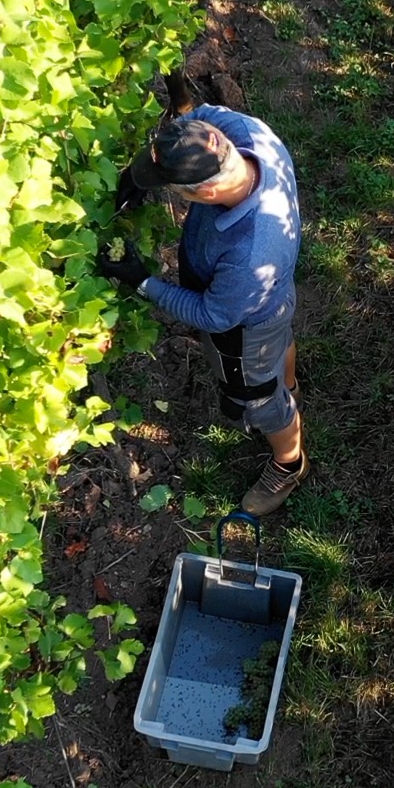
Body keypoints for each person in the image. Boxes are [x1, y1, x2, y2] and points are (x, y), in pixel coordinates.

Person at [99, 101, 306, 516]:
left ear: (206, 193)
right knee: (280, 343)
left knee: (258, 396)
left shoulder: (251, 252)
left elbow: (215, 316)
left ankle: (290, 463)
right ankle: (291, 384)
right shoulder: (247, 135)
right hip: (273, 297)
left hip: (245, 328)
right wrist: (146, 175)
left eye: (174, 189)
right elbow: (200, 113)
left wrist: (141, 281)